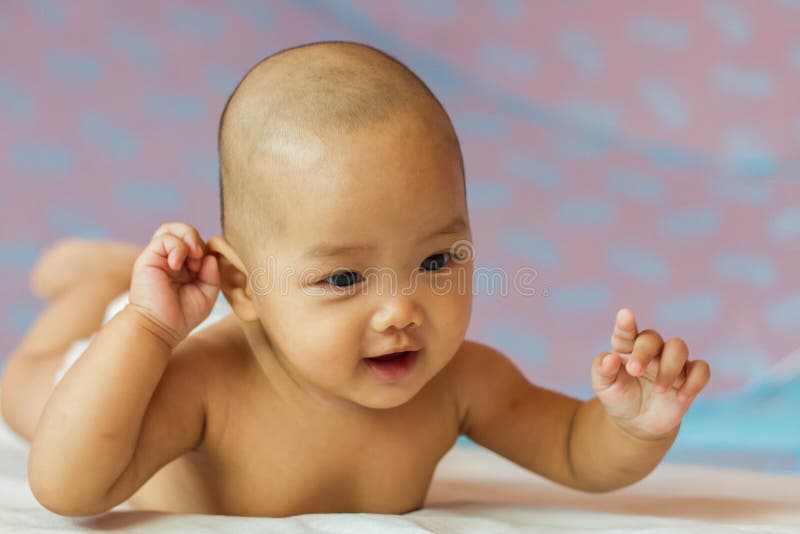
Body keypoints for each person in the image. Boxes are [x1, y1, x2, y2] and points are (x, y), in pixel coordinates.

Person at [1, 40, 710, 517]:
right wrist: (150, 326)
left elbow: (572, 452)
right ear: (243, 285)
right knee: (26, 393)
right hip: (124, 364)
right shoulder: (203, 382)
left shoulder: (463, 382)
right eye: (343, 277)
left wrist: (634, 426)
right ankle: (94, 288)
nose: (401, 309)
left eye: (436, 262)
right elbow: (70, 488)